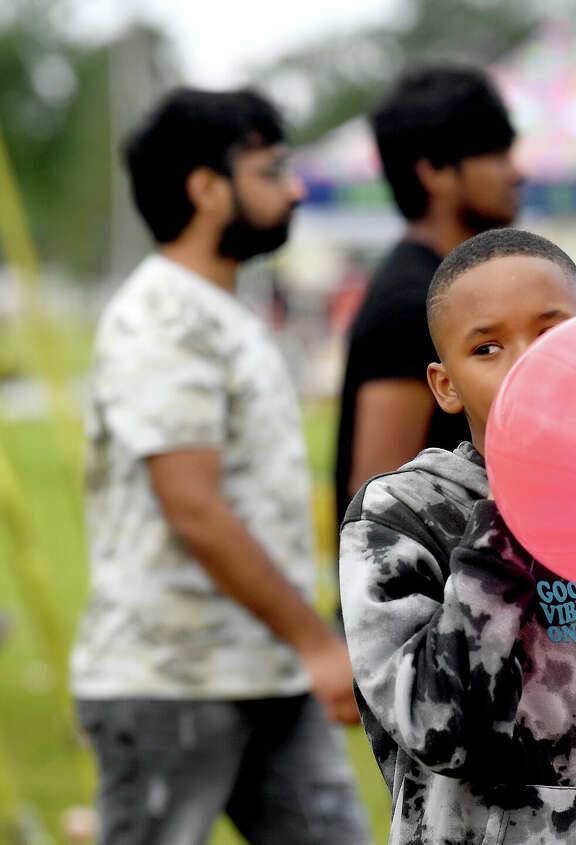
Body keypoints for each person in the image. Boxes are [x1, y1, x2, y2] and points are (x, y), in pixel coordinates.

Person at [339, 228, 576, 845]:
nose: (526, 364)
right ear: (446, 385)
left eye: (551, 334)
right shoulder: (403, 515)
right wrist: (511, 521)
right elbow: (438, 728)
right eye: (486, 348)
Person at [71, 88, 370, 845]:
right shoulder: (162, 317)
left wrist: (298, 648)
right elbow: (194, 508)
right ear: (205, 189)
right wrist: (314, 640)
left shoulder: (222, 309)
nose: (295, 188)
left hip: (267, 671)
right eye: (273, 170)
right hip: (169, 683)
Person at [334, 64, 521, 529]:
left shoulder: (450, 289)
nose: (517, 172)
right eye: (496, 155)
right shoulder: (411, 302)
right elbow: (378, 500)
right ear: (435, 172)